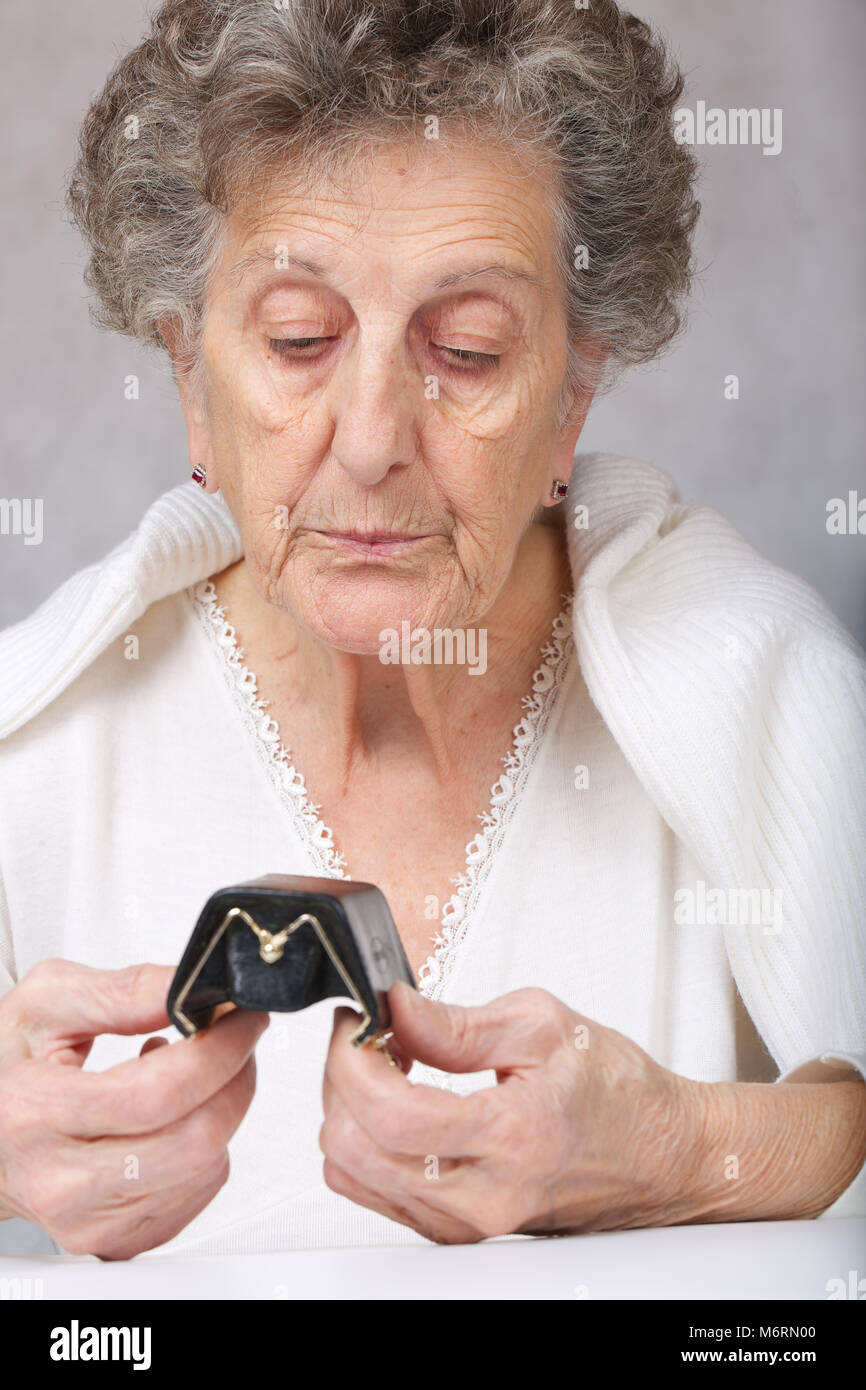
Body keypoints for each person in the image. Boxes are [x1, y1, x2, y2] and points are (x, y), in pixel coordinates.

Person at [0, 0, 863, 1260]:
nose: (370, 440)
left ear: (569, 400)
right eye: (298, 340)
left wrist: (682, 1149)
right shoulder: (35, 741)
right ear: (191, 380)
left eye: (464, 350)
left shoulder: (767, 686)